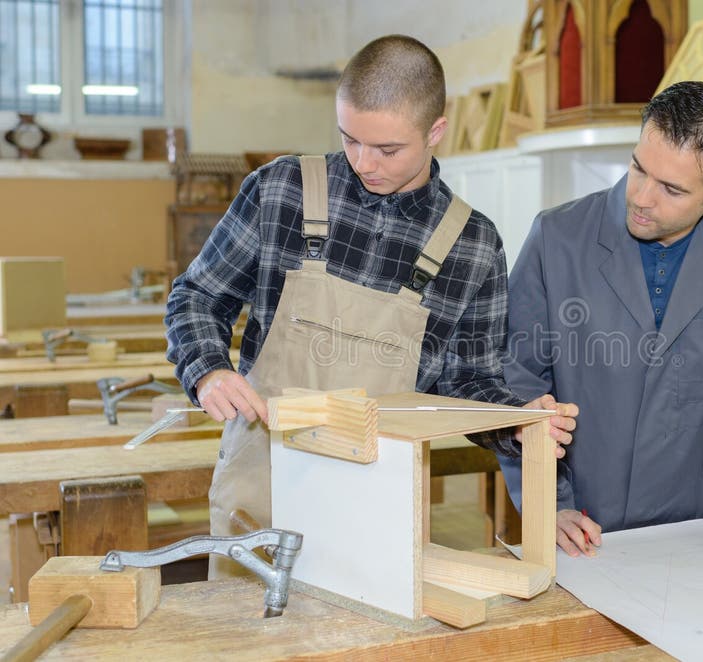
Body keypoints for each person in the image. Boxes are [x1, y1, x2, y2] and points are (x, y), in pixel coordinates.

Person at [165, 34, 577, 577]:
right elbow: (196, 296)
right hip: (260, 495)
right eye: (350, 139)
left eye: (387, 149)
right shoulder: (282, 190)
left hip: (378, 505)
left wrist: (513, 422)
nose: (363, 163)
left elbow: (470, 381)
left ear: (435, 132)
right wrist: (208, 370)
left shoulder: (472, 244)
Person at [500, 81, 703, 583]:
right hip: (585, 525)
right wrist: (547, 502)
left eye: (672, 189)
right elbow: (519, 379)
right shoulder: (557, 236)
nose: (641, 198)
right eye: (638, 168)